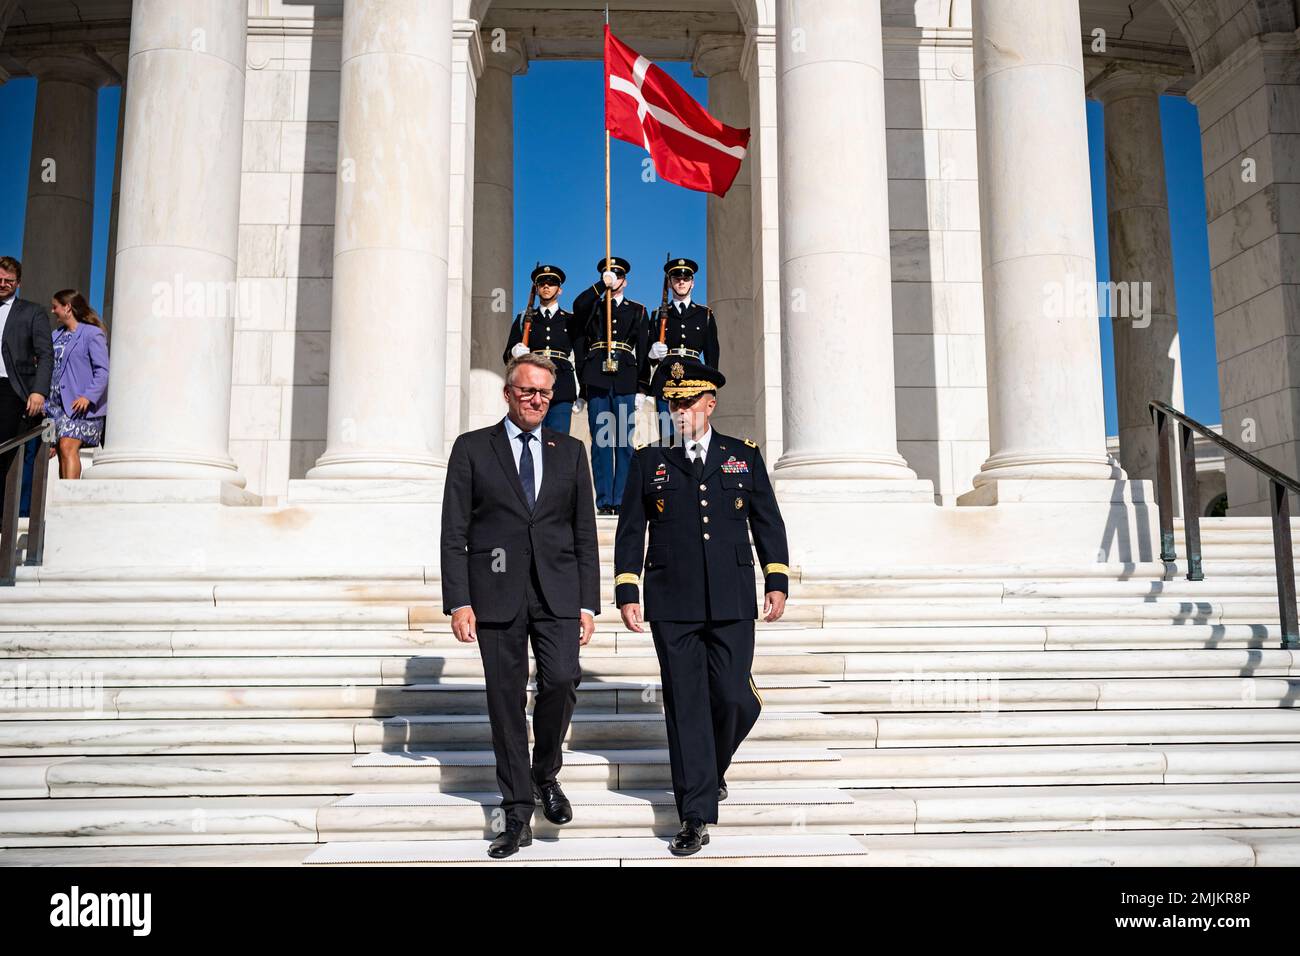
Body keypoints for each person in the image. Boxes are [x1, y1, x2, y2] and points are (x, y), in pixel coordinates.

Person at [613, 359, 790, 856]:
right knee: (686, 706)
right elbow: (630, 533)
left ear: (710, 403)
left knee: (736, 698)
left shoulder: (743, 456)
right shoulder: (650, 462)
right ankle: (693, 813)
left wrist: (776, 578)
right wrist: (628, 590)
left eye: (689, 401)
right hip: (672, 603)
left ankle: (708, 771)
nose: (680, 410)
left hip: (733, 598)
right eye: (673, 403)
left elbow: (767, 524)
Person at [440, 353, 600, 859]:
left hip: (557, 592)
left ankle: (545, 771)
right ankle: (516, 812)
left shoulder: (571, 451)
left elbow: (584, 534)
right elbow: (454, 533)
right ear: (508, 393)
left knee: (561, 679)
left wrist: (588, 603)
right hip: (494, 593)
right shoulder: (471, 449)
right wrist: (459, 600)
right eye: (528, 391)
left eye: (545, 394)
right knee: (505, 700)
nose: (537, 400)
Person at [572, 256, 651, 514]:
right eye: (609, 275)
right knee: (602, 441)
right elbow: (577, 308)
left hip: (626, 379)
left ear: (625, 281)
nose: (613, 280)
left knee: (624, 443)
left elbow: (642, 351)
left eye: (617, 276)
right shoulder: (593, 306)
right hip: (597, 377)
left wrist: (642, 386)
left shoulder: (638, 310)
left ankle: (623, 499)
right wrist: (599, 287)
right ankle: (605, 500)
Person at [647, 258, 719, 445]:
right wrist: (652, 353)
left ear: (692, 283)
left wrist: (711, 388)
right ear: (670, 283)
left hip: (695, 379)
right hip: (666, 379)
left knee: (695, 433)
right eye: (676, 278)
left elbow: (712, 353)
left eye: (686, 279)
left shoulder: (705, 315)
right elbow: (646, 351)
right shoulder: (657, 315)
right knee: (668, 437)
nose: (681, 282)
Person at [503, 265, 580, 434]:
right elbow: (507, 354)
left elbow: (581, 356)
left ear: (559, 290)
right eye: (542, 283)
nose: (546, 286)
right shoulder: (524, 318)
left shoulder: (570, 319)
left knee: (558, 442)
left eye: (551, 283)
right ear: (537, 289)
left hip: (561, 387)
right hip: (531, 386)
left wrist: (583, 393)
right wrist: (515, 351)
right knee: (530, 440)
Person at [0, 256, 53, 502]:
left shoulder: (32, 312)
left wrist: (39, 391)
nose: (3, 284)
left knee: (5, 454)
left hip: (11, 390)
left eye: (8, 281)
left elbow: (45, 354)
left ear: (18, 283)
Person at [47, 289, 109, 479]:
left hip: (80, 405)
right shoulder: (55, 335)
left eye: (55, 306)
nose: (52, 311)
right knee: (61, 453)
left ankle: (70, 497)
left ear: (67, 307)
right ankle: (63, 500)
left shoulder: (92, 334)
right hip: (55, 406)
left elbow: (103, 371)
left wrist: (88, 396)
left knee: (67, 446)